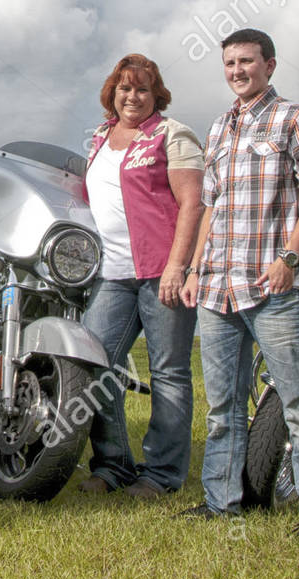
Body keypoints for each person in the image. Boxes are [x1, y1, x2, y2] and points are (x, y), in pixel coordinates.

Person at [180, 28, 299, 540]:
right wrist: (193, 269)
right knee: (222, 406)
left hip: (273, 288)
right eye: (229, 63)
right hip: (216, 288)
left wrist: (289, 257)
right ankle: (220, 502)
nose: (237, 71)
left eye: (246, 61)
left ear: (269, 65)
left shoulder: (295, 118)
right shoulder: (219, 127)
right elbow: (210, 206)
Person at [77, 54, 204, 499]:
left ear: (157, 96)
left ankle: (162, 474)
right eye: (125, 88)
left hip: (160, 273)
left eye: (143, 89)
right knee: (93, 367)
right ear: (112, 92)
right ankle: (113, 465)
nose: (133, 97)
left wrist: (177, 265)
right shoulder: (98, 138)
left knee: (168, 372)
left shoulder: (172, 134)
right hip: (110, 274)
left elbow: (193, 203)